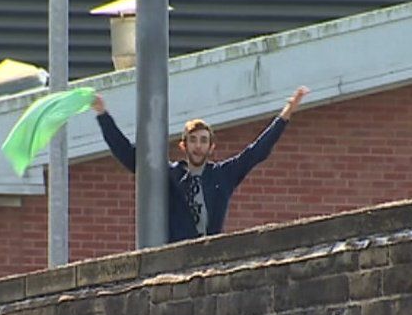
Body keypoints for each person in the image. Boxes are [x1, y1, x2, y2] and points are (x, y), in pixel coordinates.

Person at [92, 85, 310, 243]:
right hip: (175, 254)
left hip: (208, 255)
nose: (198, 146)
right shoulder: (170, 175)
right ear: (183, 145)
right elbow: (128, 155)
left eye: (203, 141)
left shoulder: (222, 175)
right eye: (193, 140)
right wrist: (103, 114)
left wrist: (286, 114)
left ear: (211, 147)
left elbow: (256, 151)